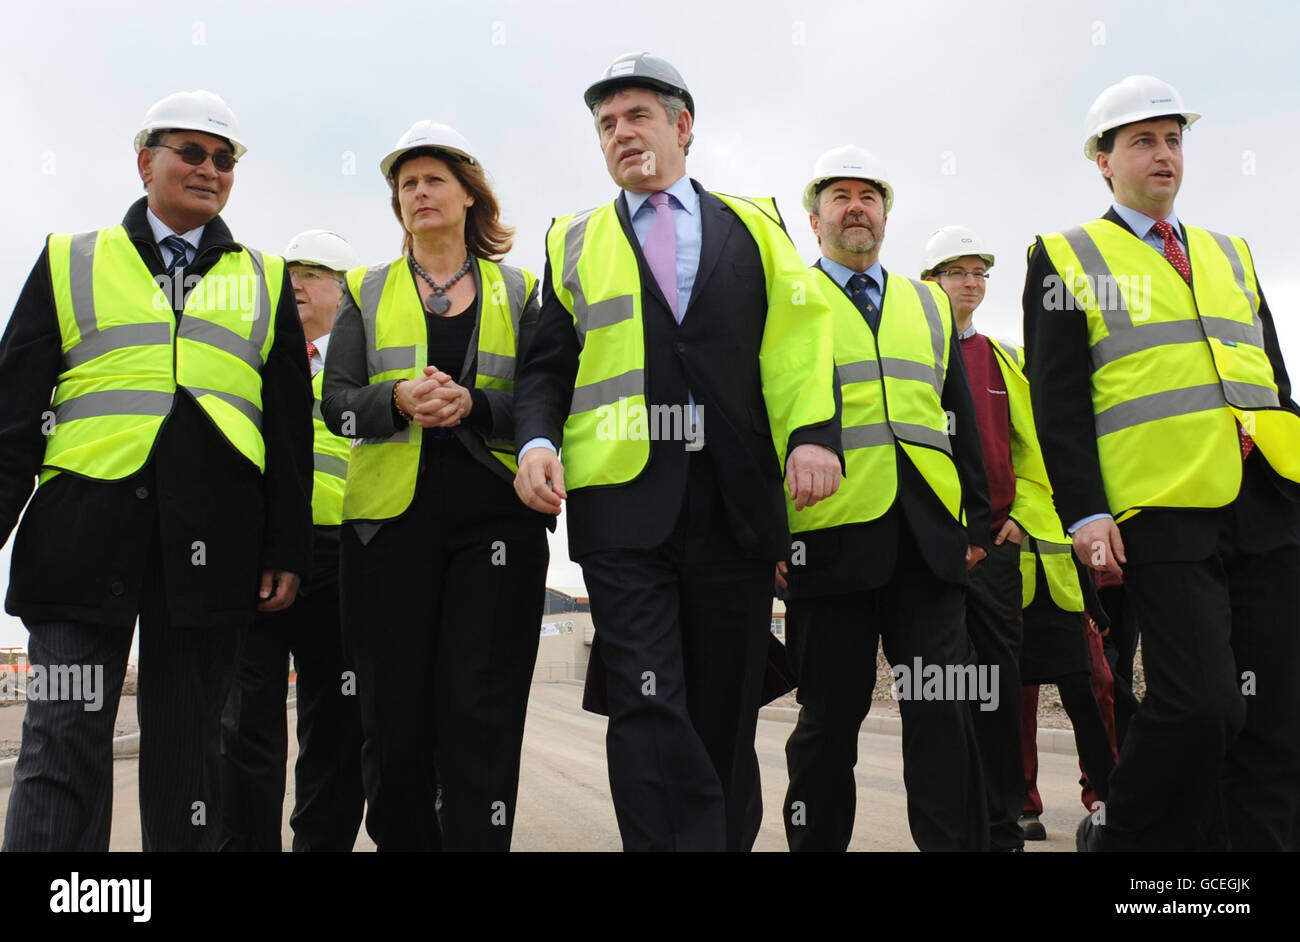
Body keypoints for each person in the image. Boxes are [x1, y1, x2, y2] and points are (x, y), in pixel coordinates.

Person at [512, 52, 841, 852]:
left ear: (682, 126)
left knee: (725, 707)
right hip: (624, 502)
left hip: (734, 500)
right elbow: (546, 366)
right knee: (646, 697)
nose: (620, 134)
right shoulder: (573, 239)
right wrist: (534, 441)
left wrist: (812, 437)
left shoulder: (757, 227)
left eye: (637, 117)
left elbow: (798, 344)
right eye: (606, 125)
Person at [0, 90, 313, 851]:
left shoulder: (267, 280)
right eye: (192, 153)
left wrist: (285, 549)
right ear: (147, 162)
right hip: (80, 541)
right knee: (62, 739)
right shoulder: (69, 258)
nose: (210, 170)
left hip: (210, 552)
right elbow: (13, 414)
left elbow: (288, 430)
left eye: (225, 158)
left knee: (188, 755)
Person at [1023, 75, 1300, 851]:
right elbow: (1059, 403)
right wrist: (1083, 510)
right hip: (1162, 508)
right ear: (1103, 162)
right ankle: (1123, 834)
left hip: (1269, 498)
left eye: (1174, 139)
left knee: (1275, 716)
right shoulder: (1065, 256)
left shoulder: (1231, 253)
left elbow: (1273, 382)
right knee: (1203, 705)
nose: (1163, 154)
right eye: (1142, 140)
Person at [321, 121, 549, 852]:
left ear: (469, 196)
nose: (419, 193)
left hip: (496, 526)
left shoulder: (522, 291)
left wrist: (474, 405)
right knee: (394, 719)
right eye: (406, 184)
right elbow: (339, 400)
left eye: (434, 180)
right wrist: (397, 401)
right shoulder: (364, 287)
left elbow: (545, 400)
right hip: (389, 530)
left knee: (480, 713)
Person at [777, 151, 990, 852]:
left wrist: (977, 520)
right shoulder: (785, 299)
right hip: (829, 538)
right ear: (815, 220)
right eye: (840, 196)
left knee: (941, 713)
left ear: (886, 216)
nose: (856, 207)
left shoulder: (926, 302)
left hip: (928, 542)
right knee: (830, 721)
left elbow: (958, 412)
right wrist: (772, 535)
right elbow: (762, 414)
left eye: (868, 196)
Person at [220, 230, 365, 851]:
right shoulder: (255, 358)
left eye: (314, 274)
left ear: (345, 291)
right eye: (290, 274)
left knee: (335, 724)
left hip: (344, 555)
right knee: (243, 722)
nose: (297, 284)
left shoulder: (368, 363)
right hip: (260, 554)